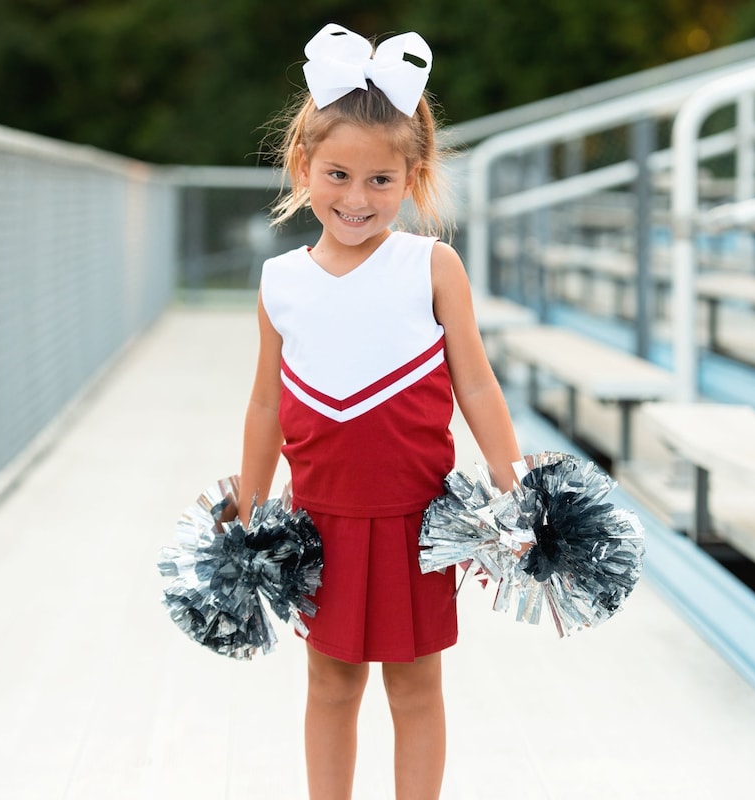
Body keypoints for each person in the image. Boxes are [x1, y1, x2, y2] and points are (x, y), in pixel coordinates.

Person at [238, 23, 522, 800]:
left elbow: (478, 385)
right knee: (330, 683)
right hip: (321, 518)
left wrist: (516, 484)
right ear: (303, 166)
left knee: (415, 683)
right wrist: (250, 502)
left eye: (380, 182)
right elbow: (268, 399)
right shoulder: (281, 281)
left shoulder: (432, 265)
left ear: (413, 177)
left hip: (412, 518)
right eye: (337, 174)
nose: (356, 200)